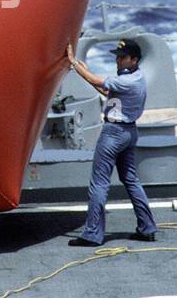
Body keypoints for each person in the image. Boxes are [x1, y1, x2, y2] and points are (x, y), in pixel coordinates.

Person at [66, 39, 159, 246]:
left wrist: (74, 63)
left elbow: (100, 82)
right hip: (129, 132)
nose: (118, 60)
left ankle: (92, 234)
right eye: (117, 56)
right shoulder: (136, 77)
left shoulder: (126, 81)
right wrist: (85, 71)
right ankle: (147, 228)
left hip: (113, 134)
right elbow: (107, 92)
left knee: (99, 183)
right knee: (131, 180)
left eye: (123, 57)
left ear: (134, 59)